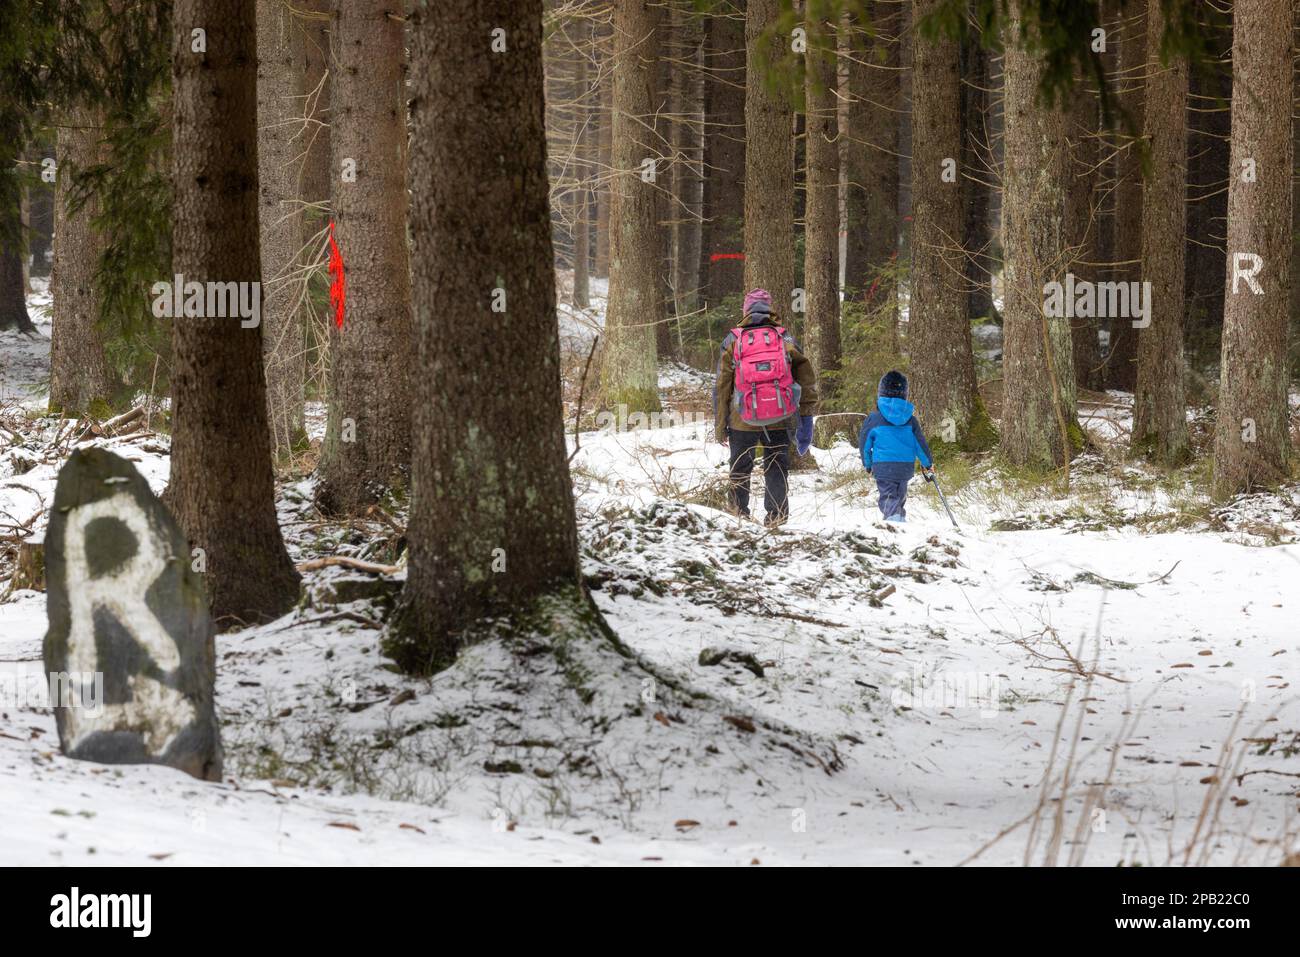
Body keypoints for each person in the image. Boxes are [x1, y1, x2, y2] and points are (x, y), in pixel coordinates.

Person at [714, 288, 817, 527]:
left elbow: (722, 387)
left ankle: (739, 515)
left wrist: (720, 426)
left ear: (745, 309)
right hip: (779, 415)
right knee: (777, 465)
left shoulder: (733, 339)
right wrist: (805, 416)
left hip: (742, 418)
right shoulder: (784, 337)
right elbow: (806, 379)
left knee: (740, 466)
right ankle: (777, 517)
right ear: (770, 308)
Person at [858, 370, 933, 523]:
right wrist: (927, 464)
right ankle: (900, 521)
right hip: (905, 467)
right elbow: (920, 445)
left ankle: (895, 523)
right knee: (899, 496)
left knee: (888, 497)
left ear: (881, 393)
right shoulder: (911, 420)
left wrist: (867, 463)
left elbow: (865, 444)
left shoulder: (873, 419)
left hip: (883, 466)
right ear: (904, 394)